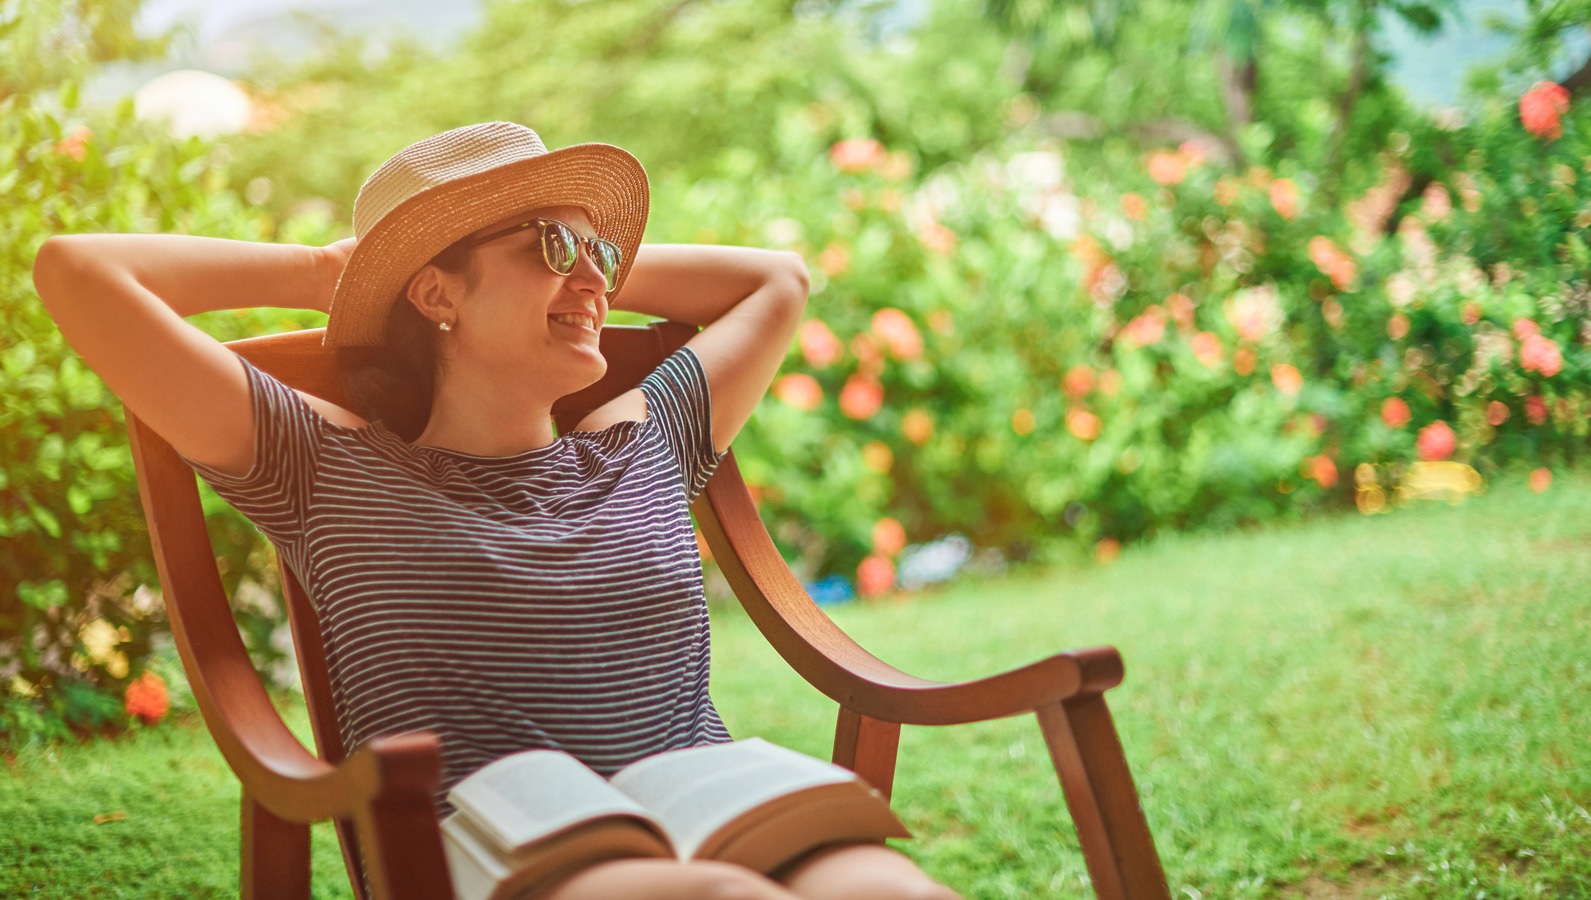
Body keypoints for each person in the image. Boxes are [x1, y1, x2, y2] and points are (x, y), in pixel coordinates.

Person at [32, 122, 959, 900]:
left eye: (601, 253)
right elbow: (77, 272)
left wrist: (578, 269)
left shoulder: (643, 437)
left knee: (891, 891)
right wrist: (331, 273)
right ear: (435, 292)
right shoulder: (322, 463)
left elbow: (777, 281)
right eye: (552, 248)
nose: (596, 279)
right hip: (490, 843)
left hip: (712, 798)